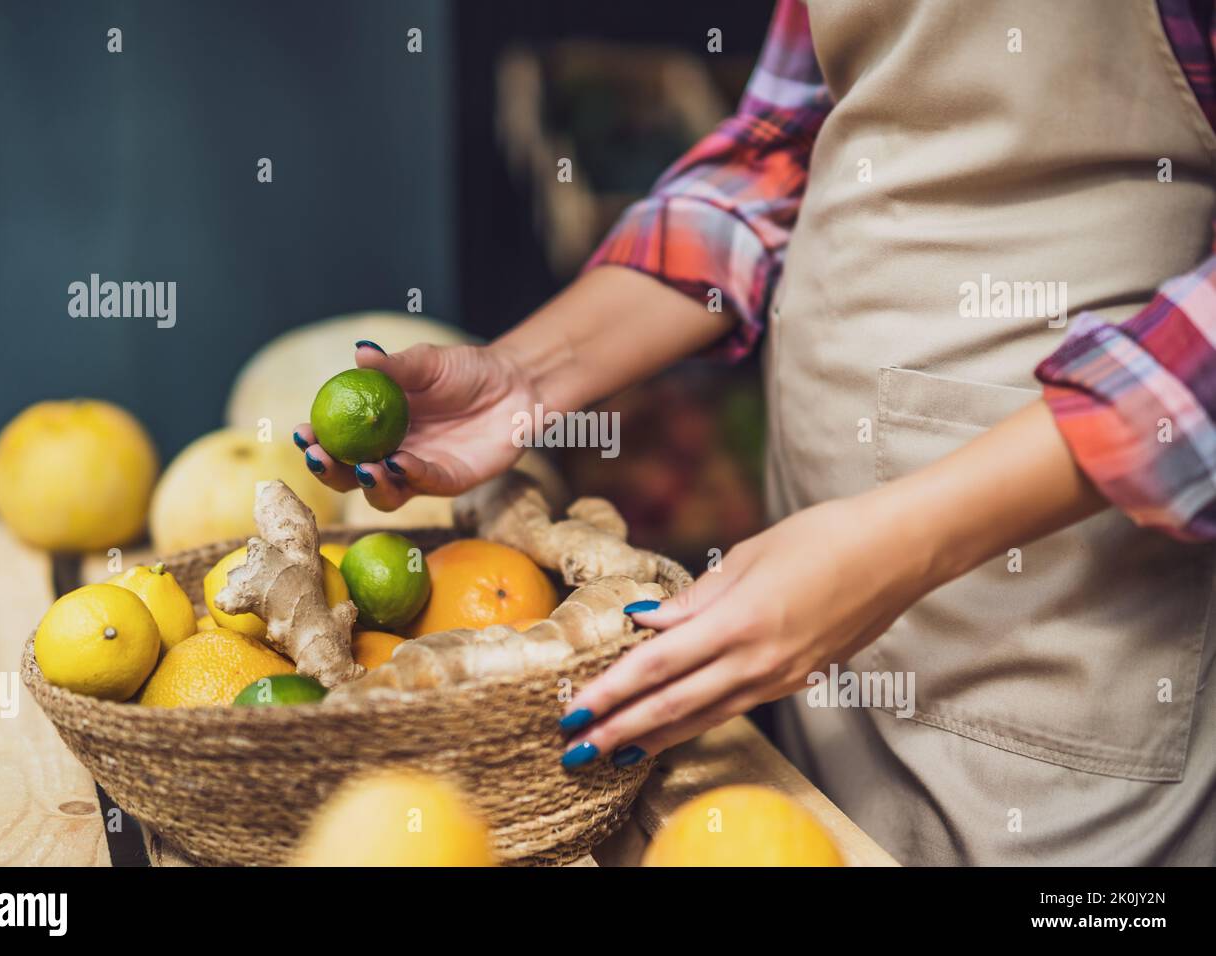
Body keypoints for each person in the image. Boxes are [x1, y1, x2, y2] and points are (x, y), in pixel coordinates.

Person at [296, 0, 1216, 865]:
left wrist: (902, 538)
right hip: (823, 593)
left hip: (1067, 599)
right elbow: (778, 156)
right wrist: (525, 378)